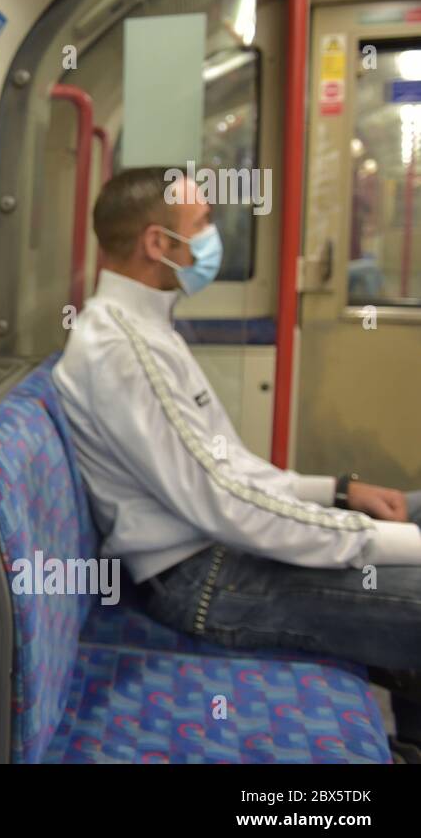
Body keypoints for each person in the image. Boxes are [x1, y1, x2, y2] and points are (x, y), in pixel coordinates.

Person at [53, 166, 421, 754]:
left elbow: (229, 470)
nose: (211, 238)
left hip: (224, 546)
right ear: (157, 243)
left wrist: (338, 493)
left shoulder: (149, 328)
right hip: (206, 579)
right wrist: (381, 539)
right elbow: (225, 504)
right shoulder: (121, 350)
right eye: (201, 224)